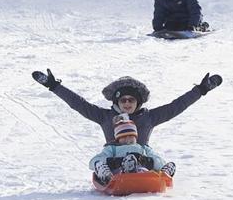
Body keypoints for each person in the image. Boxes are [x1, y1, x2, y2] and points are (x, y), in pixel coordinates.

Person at [32, 71, 222, 146]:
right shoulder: (104, 116)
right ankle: (106, 173)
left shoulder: (150, 117)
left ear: (138, 102)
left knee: (150, 158)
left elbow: (177, 106)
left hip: (142, 160)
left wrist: (201, 89)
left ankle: (159, 171)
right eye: (123, 100)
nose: (127, 103)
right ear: (117, 102)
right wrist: (54, 86)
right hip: (112, 161)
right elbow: (78, 103)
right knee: (105, 159)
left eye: (131, 100)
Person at [89, 115, 176, 184]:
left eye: (131, 136)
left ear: (136, 137)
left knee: (150, 169)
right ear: (118, 139)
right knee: (100, 164)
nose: (128, 140)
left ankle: (164, 175)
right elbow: (94, 161)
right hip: (118, 175)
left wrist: (149, 161)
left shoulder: (143, 147)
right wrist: (111, 162)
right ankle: (107, 175)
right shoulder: (112, 148)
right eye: (123, 137)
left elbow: (158, 159)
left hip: (144, 174)